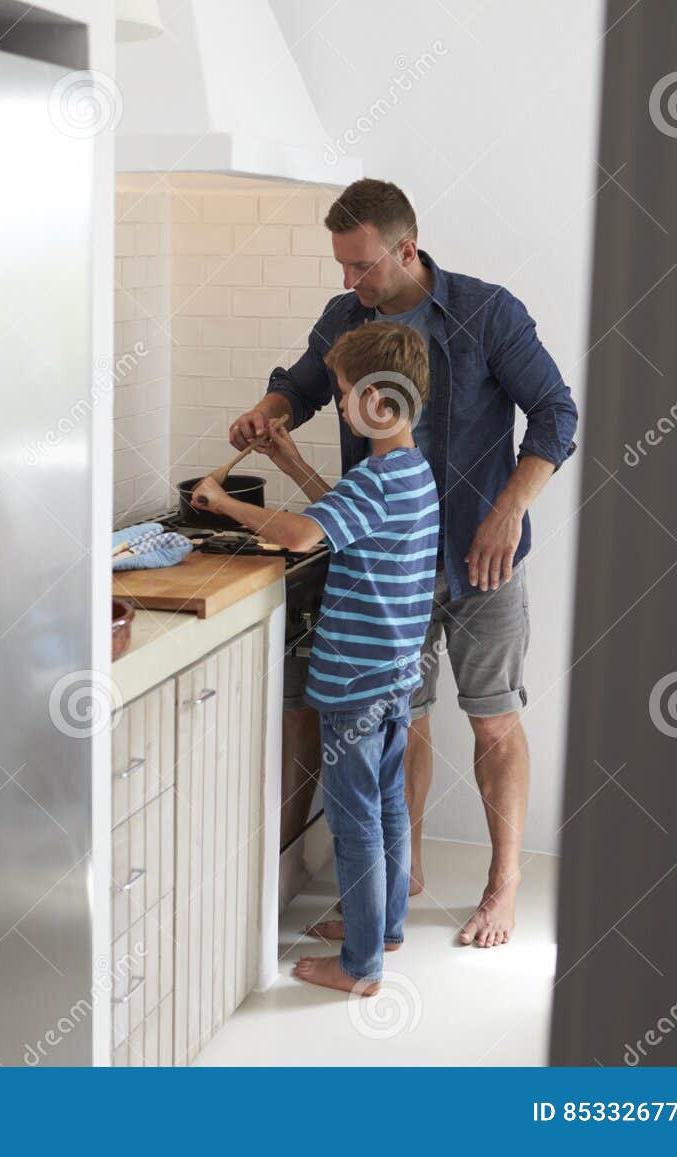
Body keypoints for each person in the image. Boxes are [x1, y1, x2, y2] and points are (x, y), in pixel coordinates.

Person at [229, 178, 578, 948]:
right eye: (341, 267)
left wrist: (509, 506)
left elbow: (557, 412)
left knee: (494, 724)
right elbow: (302, 384)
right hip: (391, 572)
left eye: (361, 266)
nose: (348, 283)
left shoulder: (487, 312)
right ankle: (399, 875)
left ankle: (503, 885)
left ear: (406, 248)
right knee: (403, 723)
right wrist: (270, 411)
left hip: (483, 560)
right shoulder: (348, 316)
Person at [192, 322, 438, 994]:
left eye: (344, 392)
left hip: (354, 686)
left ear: (381, 405)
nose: (338, 400)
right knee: (384, 806)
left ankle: (362, 966)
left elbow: (303, 534)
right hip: (391, 678)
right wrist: (289, 461)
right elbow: (342, 511)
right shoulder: (405, 471)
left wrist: (223, 506)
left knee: (355, 818)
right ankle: (381, 928)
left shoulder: (378, 480)